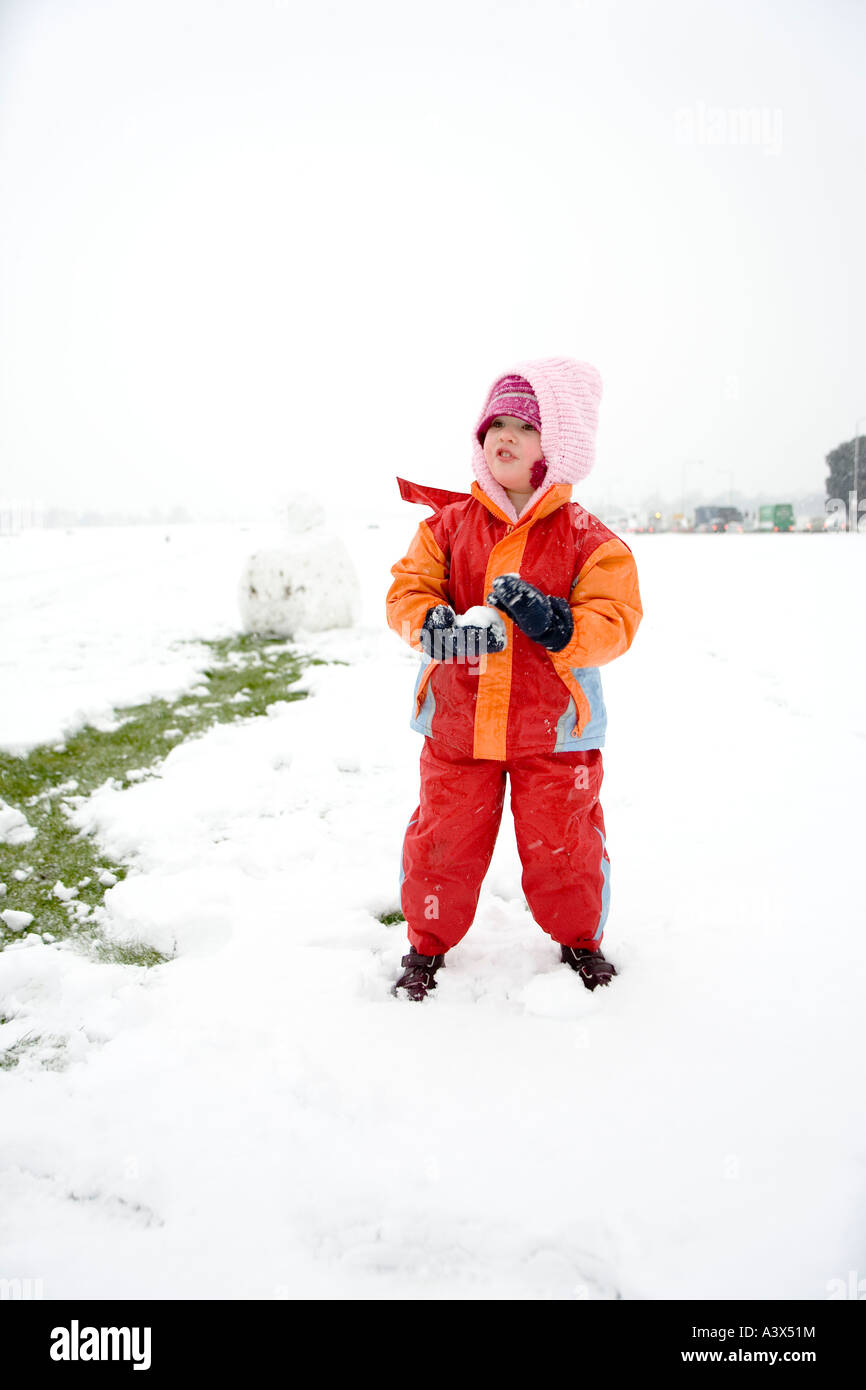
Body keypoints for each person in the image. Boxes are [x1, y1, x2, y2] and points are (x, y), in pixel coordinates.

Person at [385, 358, 643, 1001]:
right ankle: (426, 944)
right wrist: (433, 624)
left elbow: (617, 617)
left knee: (567, 845)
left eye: (523, 426)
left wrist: (561, 626)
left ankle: (579, 939)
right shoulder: (445, 528)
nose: (503, 435)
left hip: (554, 733)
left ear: (556, 446)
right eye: (494, 423)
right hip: (457, 725)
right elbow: (406, 591)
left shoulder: (590, 539)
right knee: (442, 842)